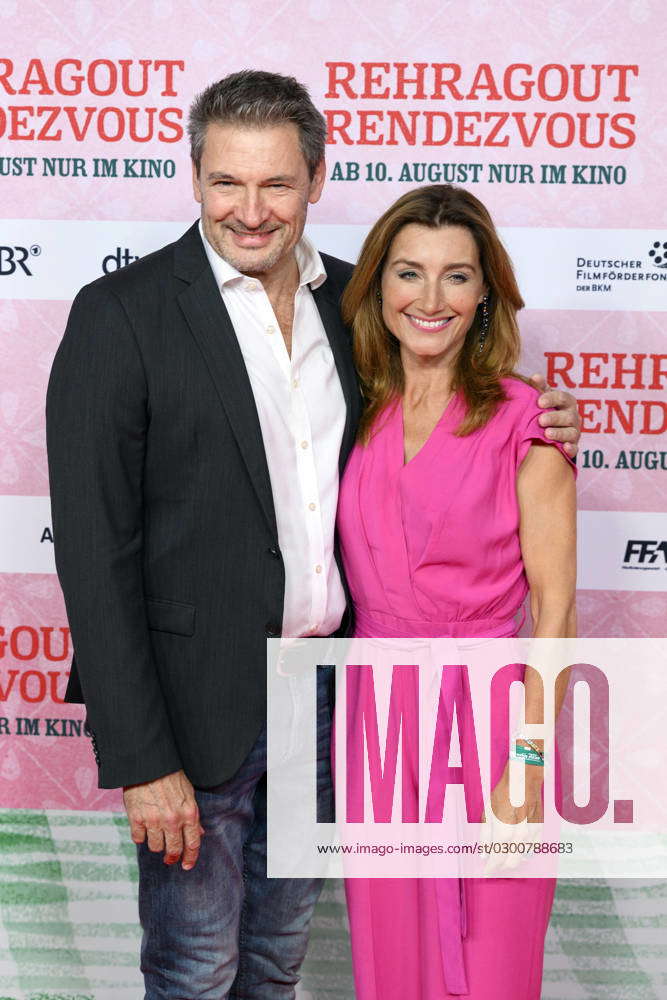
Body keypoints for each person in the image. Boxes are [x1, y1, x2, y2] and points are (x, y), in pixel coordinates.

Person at [45, 70, 579, 999]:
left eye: (276, 184)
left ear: (317, 179)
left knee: (276, 960)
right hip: (192, 711)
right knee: (193, 966)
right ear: (195, 176)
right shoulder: (119, 317)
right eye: (226, 183)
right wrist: (142, 760)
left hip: (330, 708)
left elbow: (454, 401)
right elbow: (94, 555)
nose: (250, 211)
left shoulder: (352, 312)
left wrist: (540, 416)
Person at [336, 184, 577, 999]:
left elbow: (554, 612)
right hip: (374, 720)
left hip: (490, 718)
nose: (430, 299)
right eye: (408, 274)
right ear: (377, 287)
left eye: (456, 276)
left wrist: (528, 767)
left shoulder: (525, 419)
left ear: (484, 293)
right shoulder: (350, 407)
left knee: (495, 961)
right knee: (388, 959)